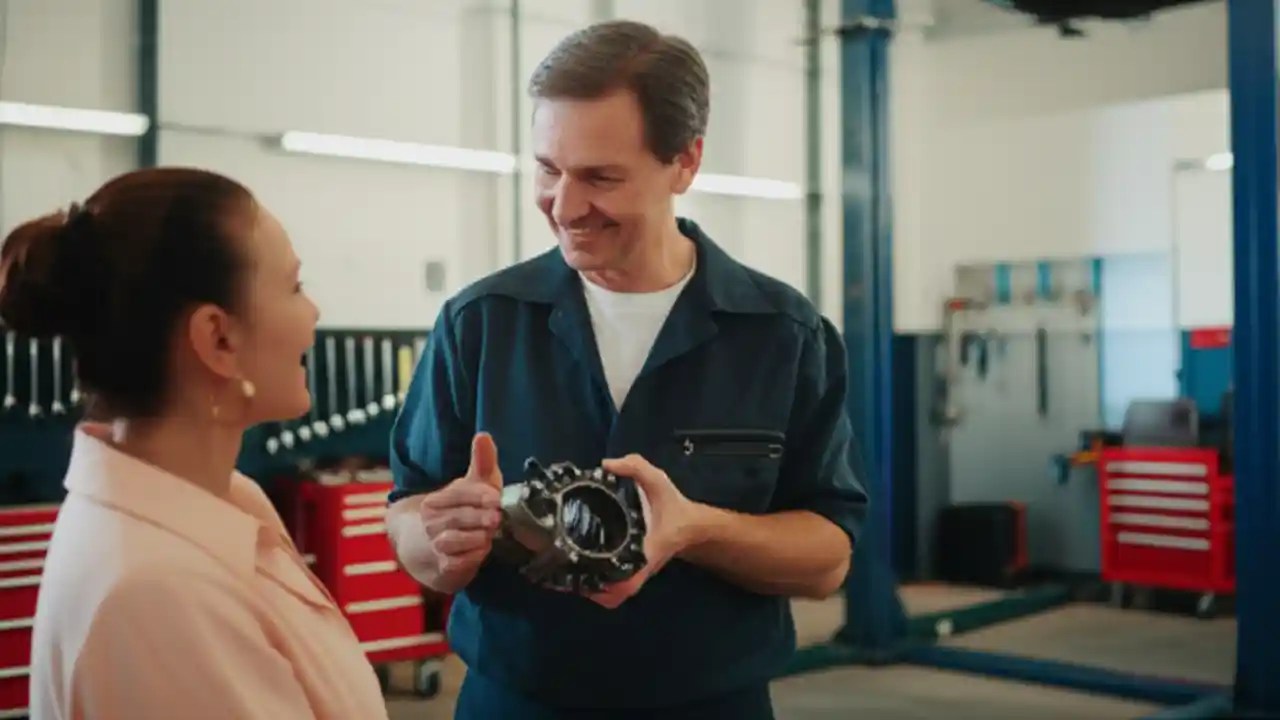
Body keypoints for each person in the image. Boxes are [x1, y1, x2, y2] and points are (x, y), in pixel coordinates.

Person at [387, 19, 869, 720]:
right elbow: (407, 511)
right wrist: (439, 544)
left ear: (685, 162)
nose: (565, 206)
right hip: (516, 702)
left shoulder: (781, 335)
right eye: (548, 170)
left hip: (709, 705)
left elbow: (826, 559)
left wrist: (698, 529)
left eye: (601, 177)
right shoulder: (481, 324)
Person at [1, 168, 389, 720]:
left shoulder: (228, 500)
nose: (313, 313)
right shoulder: (159, 599)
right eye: (294, 286)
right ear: (217, 338)